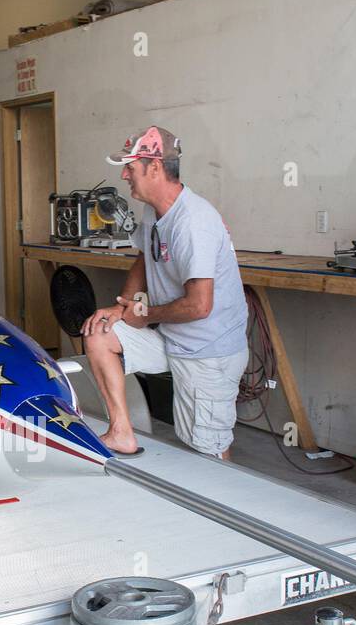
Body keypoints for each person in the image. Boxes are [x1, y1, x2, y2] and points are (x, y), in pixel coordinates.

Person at [81, 126, 249, 460]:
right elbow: (144, 257)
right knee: (99, 332)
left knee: (208, 454)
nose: (124, 175)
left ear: (155, 168)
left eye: (130, 167)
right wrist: (123, 307)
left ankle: (216, 491)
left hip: (207, 352)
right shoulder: (154, 210)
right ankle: (121, 433)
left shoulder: (193, 222)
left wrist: (144, 316)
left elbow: (199, 306)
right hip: (173, 338)